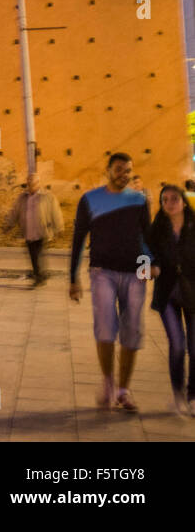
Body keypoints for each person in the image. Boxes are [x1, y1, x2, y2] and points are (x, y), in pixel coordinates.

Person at [69, 152, 153, 413]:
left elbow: (146, 237)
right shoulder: (90, 199)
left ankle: (123, 390)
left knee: (131, 332)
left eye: (128, 170)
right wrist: (73, 277)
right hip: (102, 271)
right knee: (105, 328)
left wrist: (147, 267)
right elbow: (79, 237)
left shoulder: (140, 200)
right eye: (119, 169)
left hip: (134, 274)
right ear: (108, 170)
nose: (124, 174)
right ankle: (107, 382)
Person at [149, 184, 195, 415]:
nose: (169, 203)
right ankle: (178, 394)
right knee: (177, 345)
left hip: (193, 292)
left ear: (183, 201)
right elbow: (144, 254)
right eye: (164, 199)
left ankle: (193, 395)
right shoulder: (158, 227)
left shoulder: (193, 225)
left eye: (174, 198)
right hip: (167, 293)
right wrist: (147, 268)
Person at [5, 174, 62, 286]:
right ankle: (40, 276)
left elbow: (55, 212)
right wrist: (8, 225)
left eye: (33, 183)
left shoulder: (47, 196)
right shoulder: (22, 197)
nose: (30, 185)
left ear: (38, 183)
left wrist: (59, 228)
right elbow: (15, 212)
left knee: (38, 255)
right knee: (33, 256)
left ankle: (39, 277)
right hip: (28, 232)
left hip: (41, 231)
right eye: (29, 183)